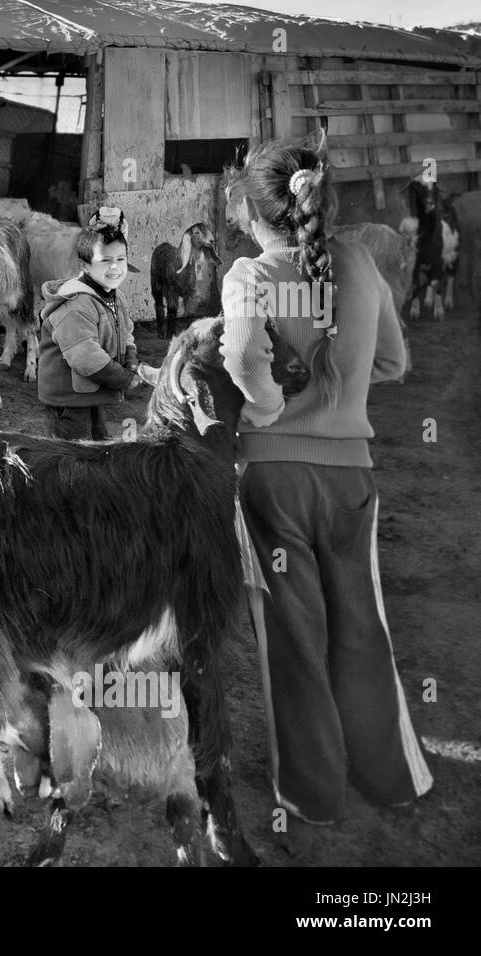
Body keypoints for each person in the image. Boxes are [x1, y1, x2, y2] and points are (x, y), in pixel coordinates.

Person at [221, 136, 433, 855]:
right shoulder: (361, 263)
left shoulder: (251, 275)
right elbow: (396, 362)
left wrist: (271, 410)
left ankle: (313, 794)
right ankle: (391, 776)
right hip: (352, 475)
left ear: (255, 211)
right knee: (362, 626)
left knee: (294, 636)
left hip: (274, 479)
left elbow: (247, 362)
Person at [37, 222, 138, 439]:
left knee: (99, 452)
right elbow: (85, 357)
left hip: (90, 393)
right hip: (68, 399)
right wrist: (124, 378)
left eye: (121, 259)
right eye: (105, 261)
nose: (115, 267)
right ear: (85, 266)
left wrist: (131, 358)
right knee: (71, 459)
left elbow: (126, 330)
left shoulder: (115, 296)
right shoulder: (75, 303)